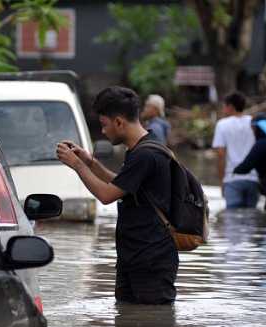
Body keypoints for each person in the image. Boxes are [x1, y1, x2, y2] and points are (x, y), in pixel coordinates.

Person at [56, 86, 178, 304]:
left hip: (151, 259)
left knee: (152, 321)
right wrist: (90, 162)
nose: (103, 131)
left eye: (104, 125)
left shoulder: (145, 154)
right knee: (127, 320)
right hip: (134, 255)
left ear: (119, 122)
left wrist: (77, 166)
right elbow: (122, 184)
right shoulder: (140, 149)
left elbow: (106, 195)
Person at [212, 91, 260, 209]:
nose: (223, 110)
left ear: (230, 107)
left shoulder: (222, 124)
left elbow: (221, 155)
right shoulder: (254, 123)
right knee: (252, 217)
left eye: (224, 106)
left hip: (232, 179)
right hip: (253, 179)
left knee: (233, 217)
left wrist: (222, 181)